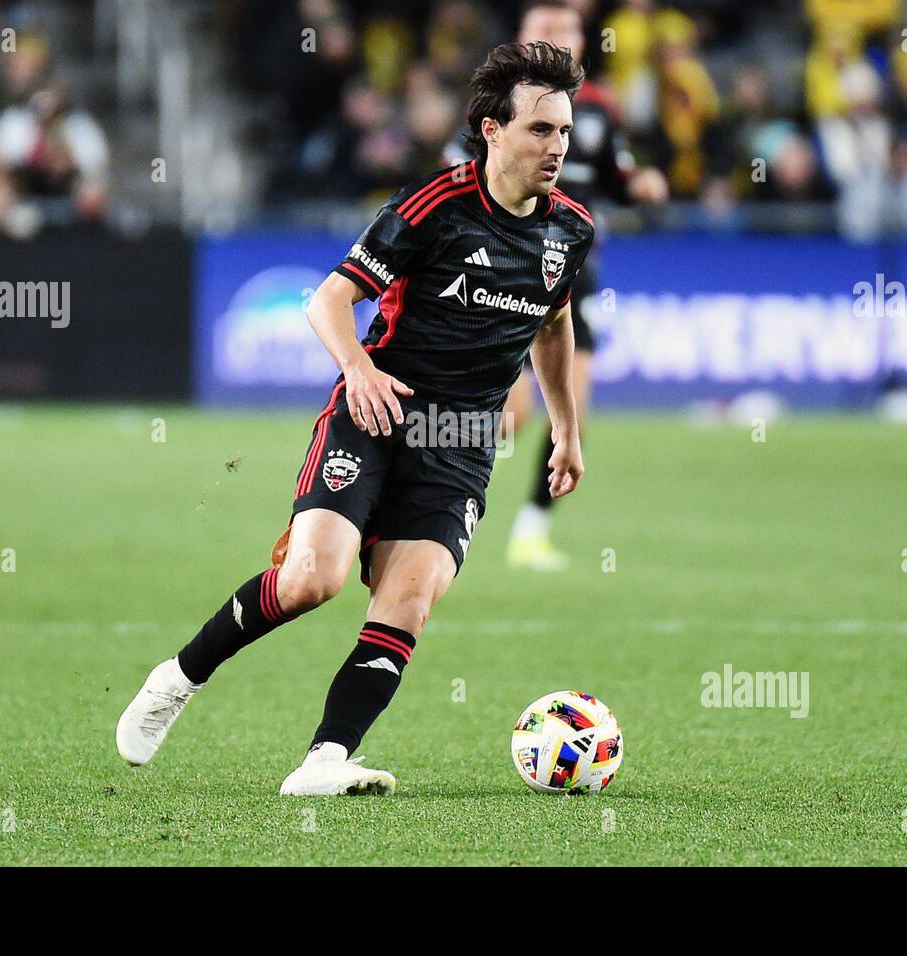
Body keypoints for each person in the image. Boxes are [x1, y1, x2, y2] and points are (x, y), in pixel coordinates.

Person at [116, 40, 595, 796]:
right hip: (375, 413)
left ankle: (325, 760)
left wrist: (566, 428)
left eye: (565, 131)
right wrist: (359, 369)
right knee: (314, 579)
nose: (557, 147)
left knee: (409, 597)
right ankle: (180, 676)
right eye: (541, 129)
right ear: (492, 130)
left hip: (462, 443)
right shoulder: (432, 208)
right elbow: (328, 300)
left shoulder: (569, 231)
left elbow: (552, 326)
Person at [446, 0, 667, 571]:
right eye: (545, 29)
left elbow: (616, 177)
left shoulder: (598, 111)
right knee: (511, 413)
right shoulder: (494, 109)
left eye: (566, 28)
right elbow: (452, 176)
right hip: (498, 272)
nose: (558, 37)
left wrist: (641, 183)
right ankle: (426, 474)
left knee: (575, 408)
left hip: (569, 274)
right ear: (522, 39)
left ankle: (531, 530)